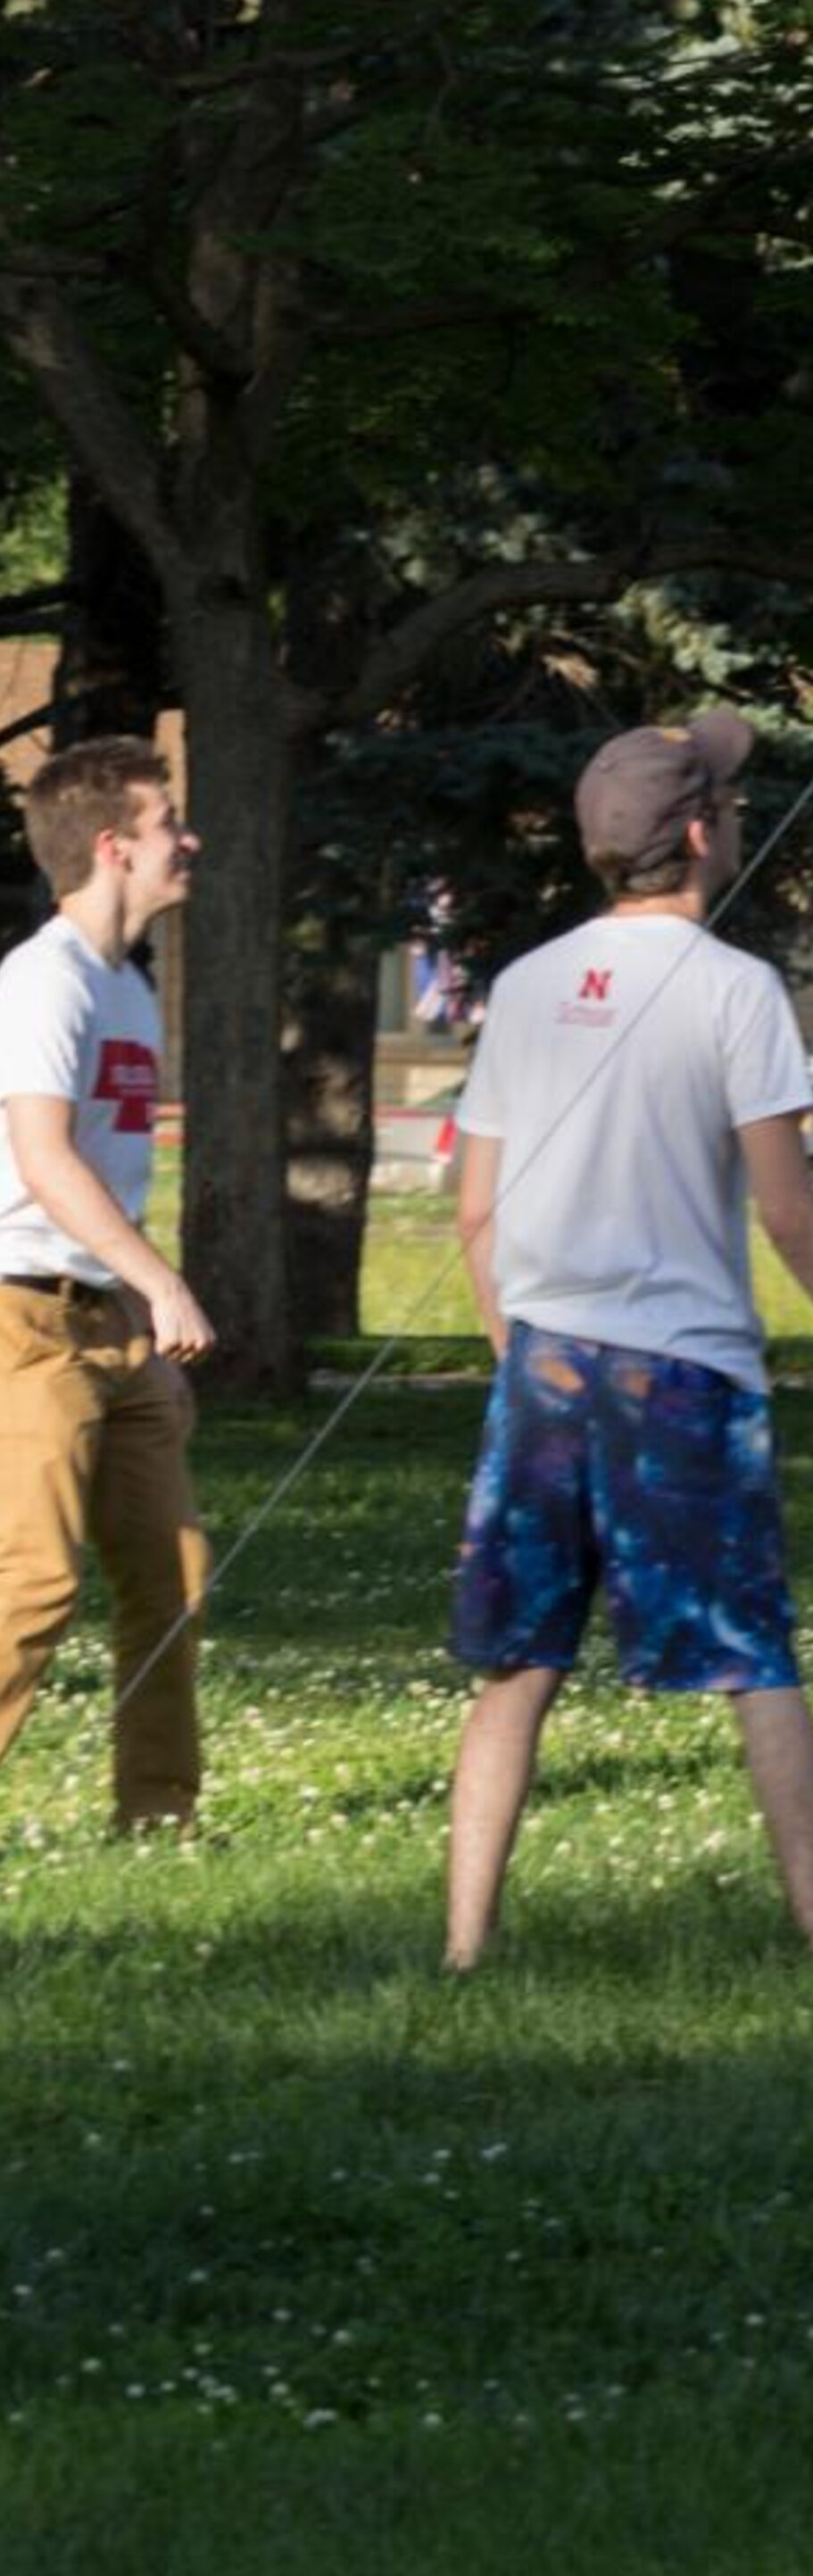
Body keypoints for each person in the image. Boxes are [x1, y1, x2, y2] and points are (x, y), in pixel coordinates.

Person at [442, 710, 813, 1970]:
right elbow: (787, 1207)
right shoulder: (737, 989)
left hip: (541, 1370)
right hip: (685, 1377)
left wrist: (519, 1355)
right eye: (731, 803)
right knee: (754, 1656)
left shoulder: (527, 985)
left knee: (518, 1666)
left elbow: (476, 1210)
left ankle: (463, 1953)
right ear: (702, 834)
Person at [0, 737, 212, 1831]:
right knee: (32, 1582)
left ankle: (158, 1817)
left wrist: (138, 1324)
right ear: (112, 844)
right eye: (171, 818)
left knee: (171, 1574)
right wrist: (164, 1285)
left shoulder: (127, 987)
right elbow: (45, 1160)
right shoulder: (43, 979)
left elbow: (109, 1184)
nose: (191, 838)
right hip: (21, 1316)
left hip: (104, 1319)